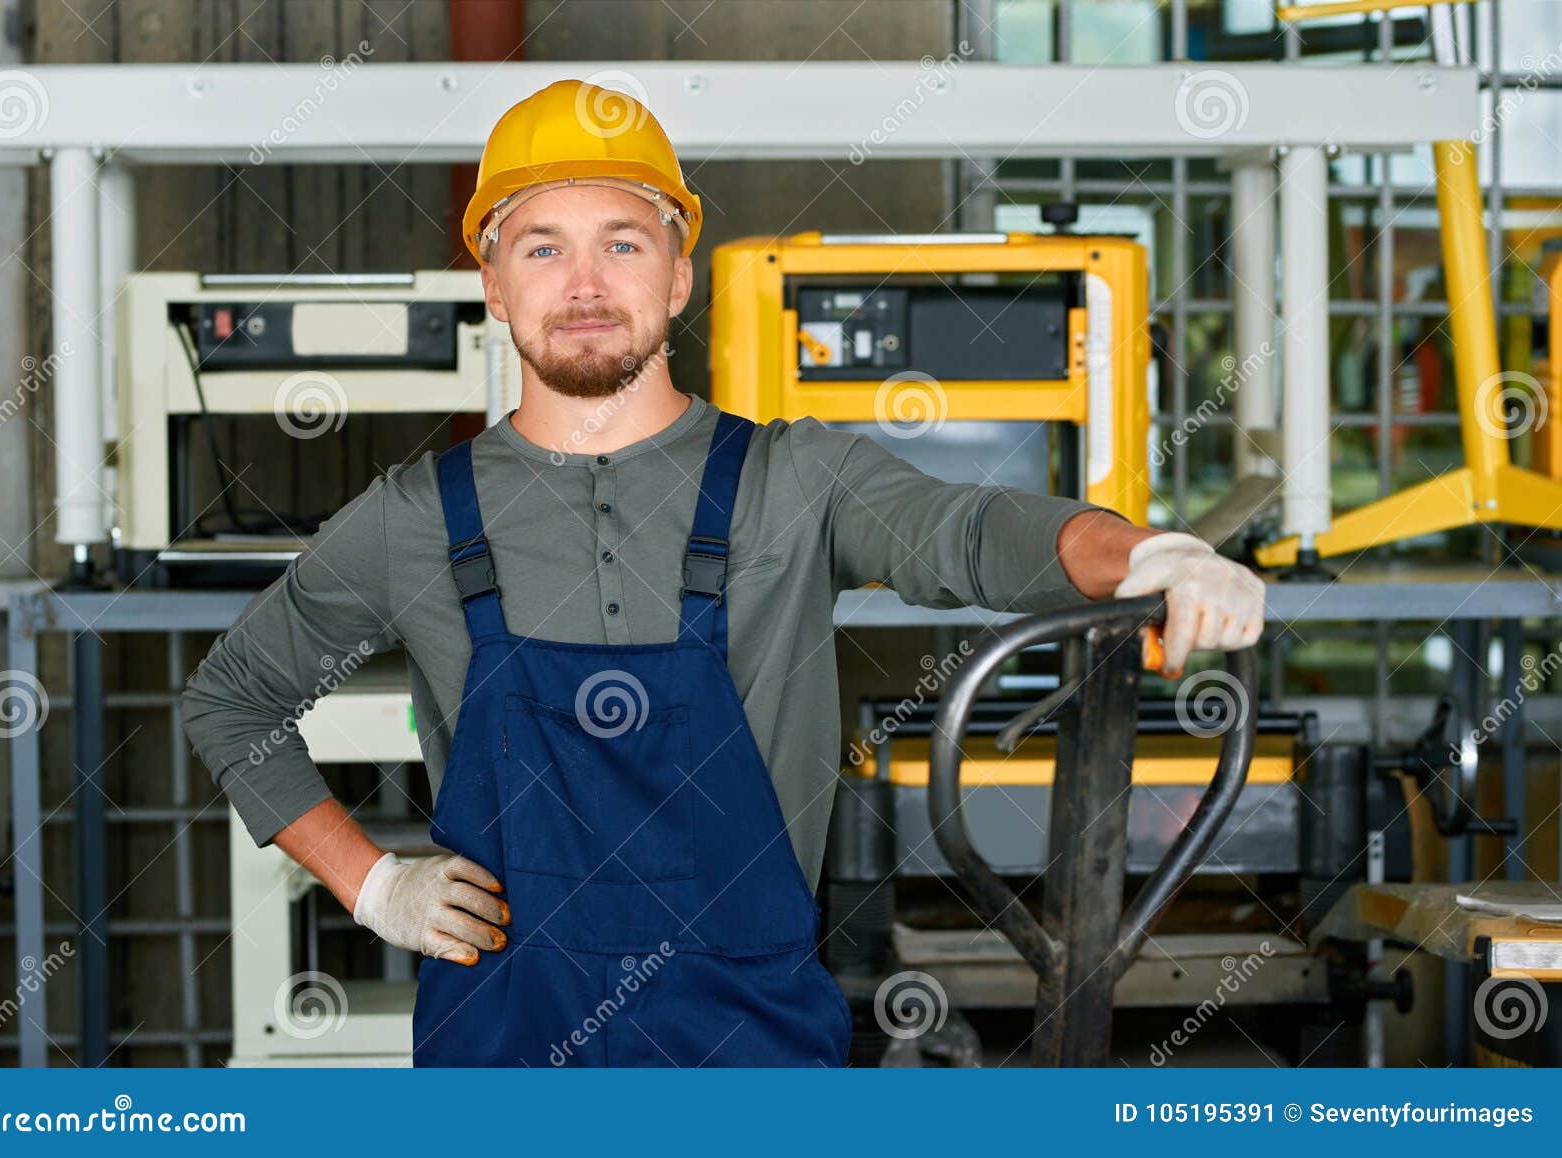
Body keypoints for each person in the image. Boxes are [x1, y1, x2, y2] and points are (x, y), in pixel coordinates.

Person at [181, 78, 1264, 1068]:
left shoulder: (794, 481)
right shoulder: (416, 516)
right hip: (503, 1048)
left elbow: (975, 531)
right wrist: (372, 883)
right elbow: (231, 700)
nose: (586, 283)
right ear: (496, 288)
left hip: (752, 1051)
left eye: (623, 242)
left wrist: (1149, 553)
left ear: (680, 274)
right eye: (542, 248)